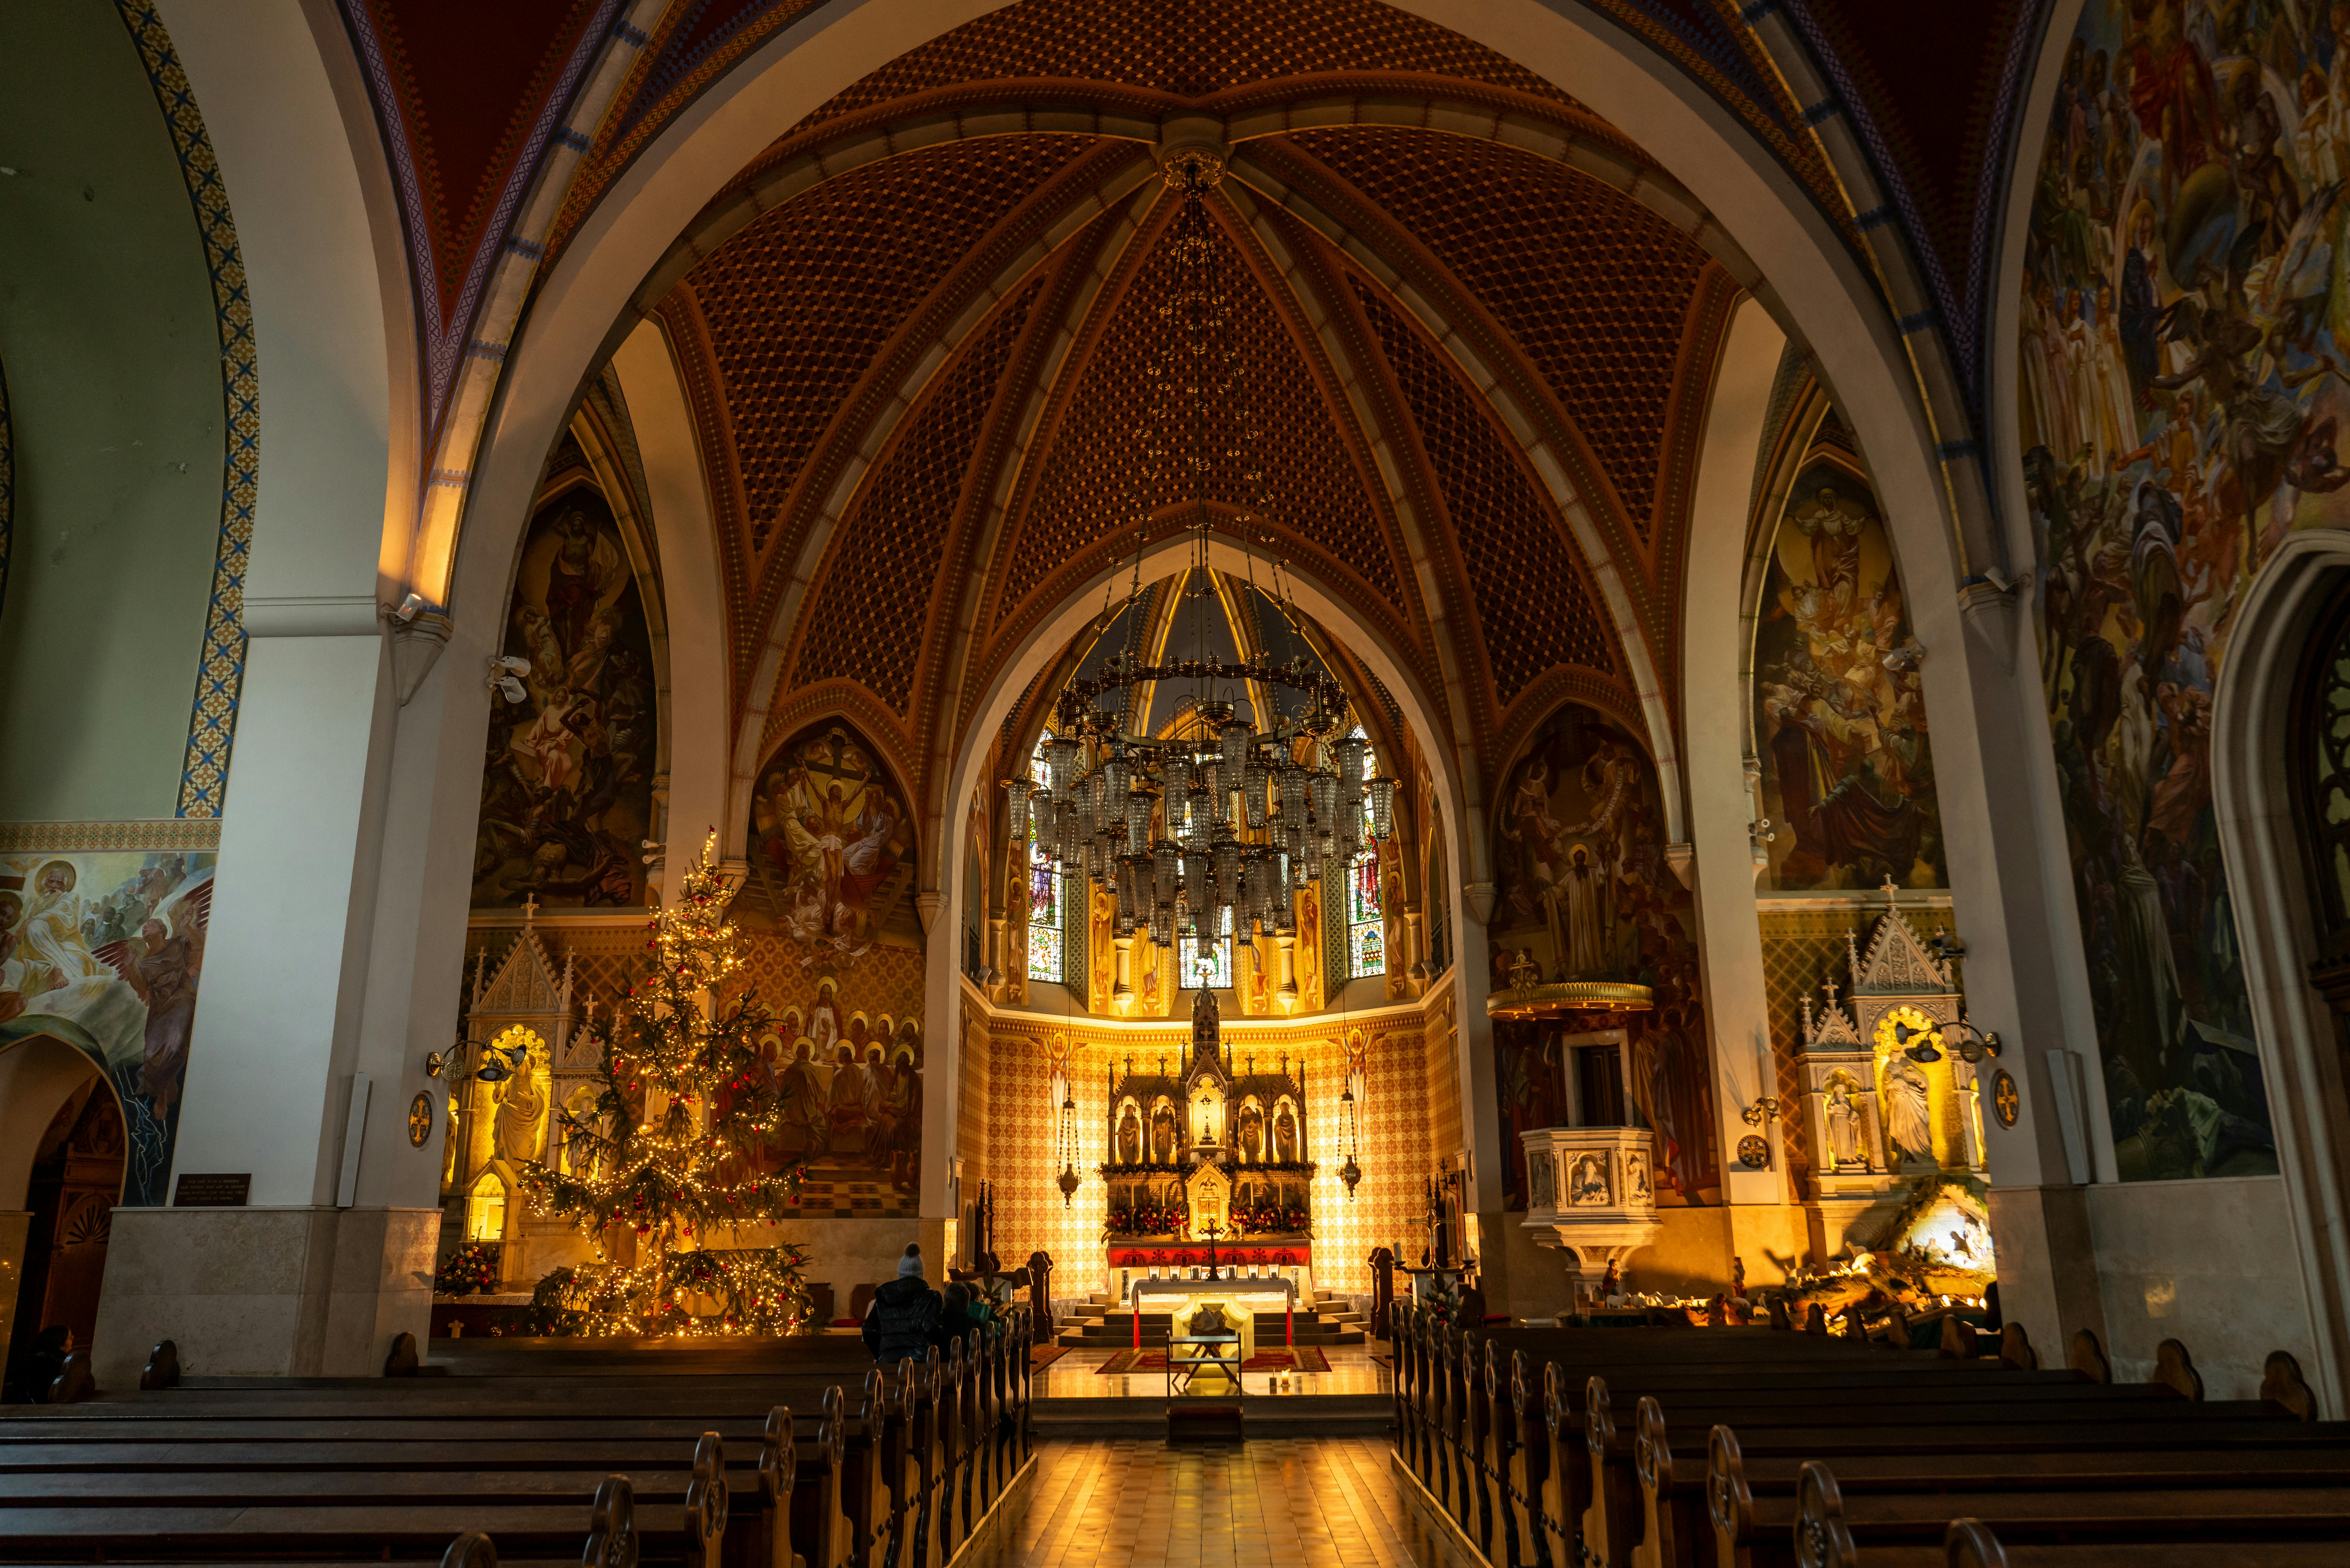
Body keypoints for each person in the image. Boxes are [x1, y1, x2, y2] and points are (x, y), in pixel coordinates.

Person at [863, 1245, 942, 1363]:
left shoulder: (885, 1297)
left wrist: (883, 1351)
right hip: (920, 1361)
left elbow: (869, 1331)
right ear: (921, 1275)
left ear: (900, 1274)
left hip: (888, 1361)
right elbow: (933, 1330)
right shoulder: (931, 1298)